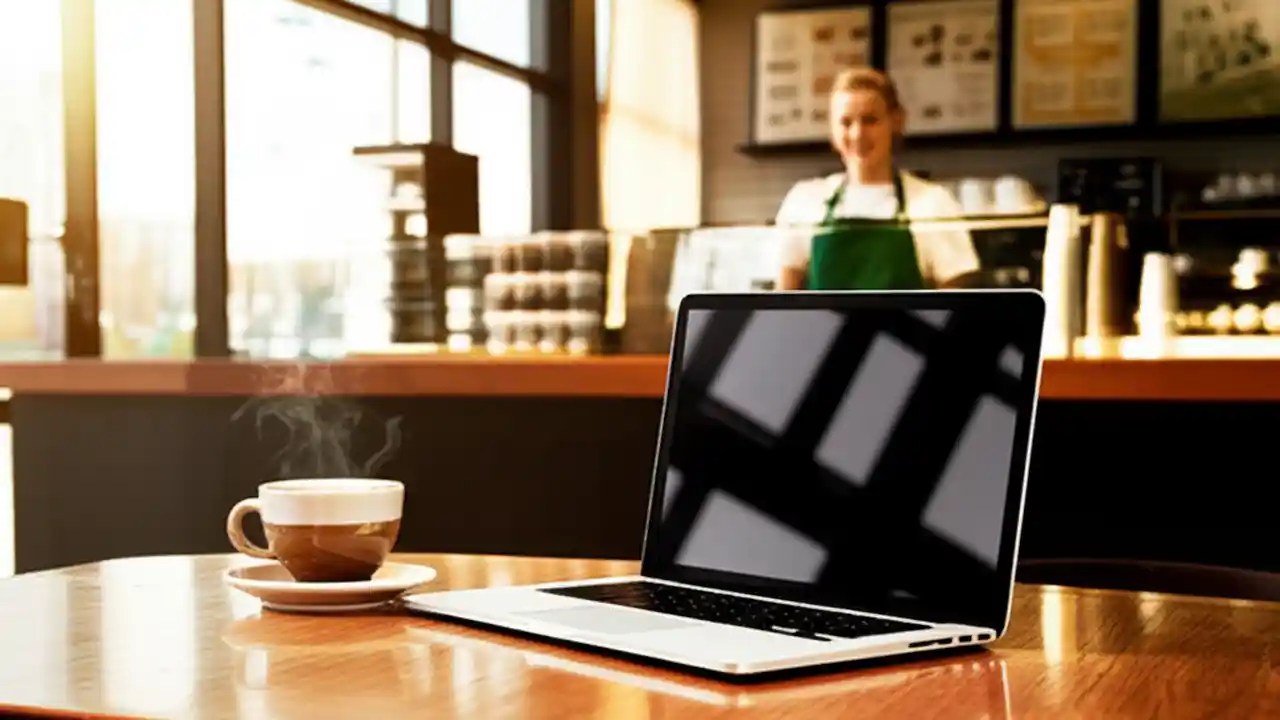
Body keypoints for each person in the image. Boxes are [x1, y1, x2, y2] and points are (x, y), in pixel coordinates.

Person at [774, 68, 980, 290]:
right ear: (832, 131)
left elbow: (957, 307)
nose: (858, 134)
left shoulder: (933, 203)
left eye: (870, 120)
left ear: (896, 122)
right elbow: (784, 302)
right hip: (825, 327)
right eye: (846, 122)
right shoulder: (805, 200)